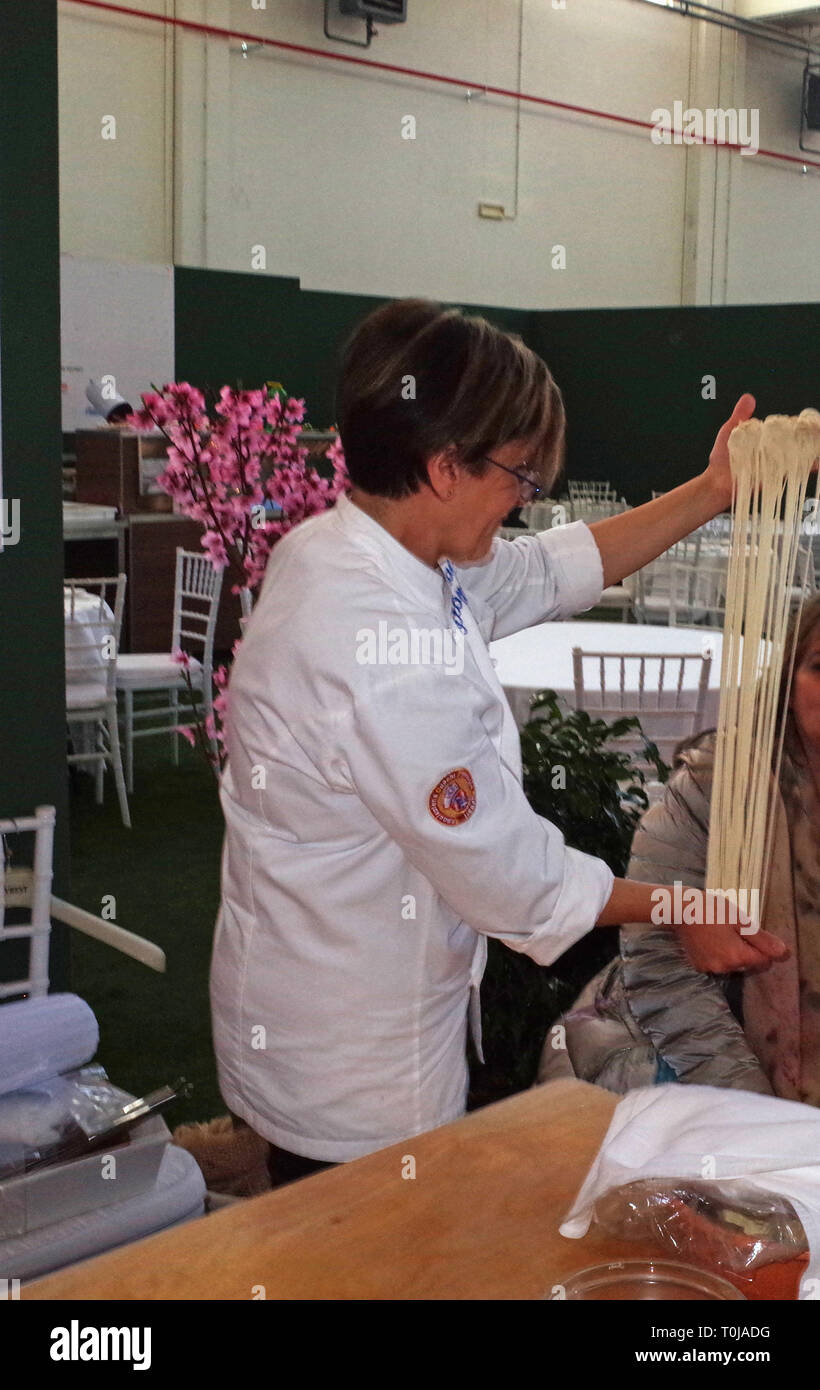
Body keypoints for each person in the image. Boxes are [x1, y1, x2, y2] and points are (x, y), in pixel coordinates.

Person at [210, 298, 787, 1182]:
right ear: (446, 467)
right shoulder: (374, 642)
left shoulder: (365, 548)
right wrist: (683, 907)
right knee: (364, 1249)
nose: (525, 500)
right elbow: (515, 878)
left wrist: (711, 492)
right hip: (351, 1053)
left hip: (337, 992)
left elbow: (554, 567)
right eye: (520, 476)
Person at [539, 593, 820, 1105]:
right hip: (697, 1059)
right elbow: (658, 956)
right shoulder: (719, 785)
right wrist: (753, 1111)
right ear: (787, 681)